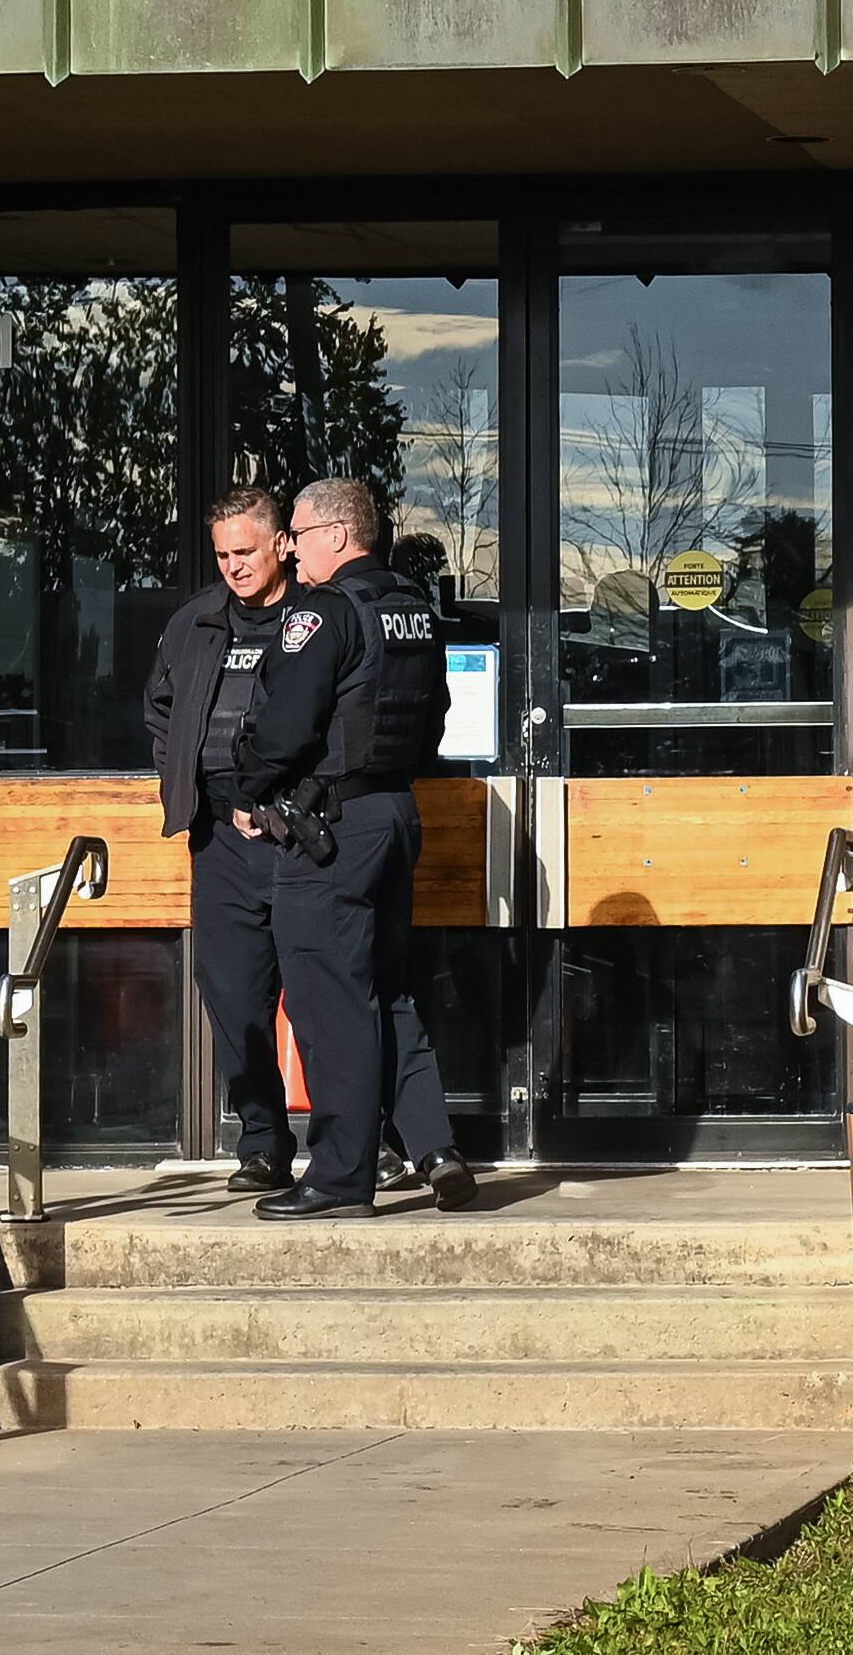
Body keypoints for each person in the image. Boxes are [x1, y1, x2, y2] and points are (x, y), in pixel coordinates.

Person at [233, 476, 478, 1218]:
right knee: (385, 988)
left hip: (331, 830)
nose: (291, 550)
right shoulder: (412, 610)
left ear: (338, 535)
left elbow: (285, 725)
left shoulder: (326, 613)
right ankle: (435, 1148)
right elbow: (433, 718)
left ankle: (340, 1178)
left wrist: (249, 789)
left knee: (330, 1002)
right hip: (394, 814)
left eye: (299, 536)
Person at [144, 488, 305, 1193]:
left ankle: (369, 1132)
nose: (234, 566)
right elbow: (160, 710)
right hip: (218, 839)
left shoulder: (315, 617)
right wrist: (181, 779)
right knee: (235, 998)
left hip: (301, 835)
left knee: (325, 994)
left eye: (246, 551)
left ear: (281, 545)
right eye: (222, 554)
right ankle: (264, 1143)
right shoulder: (196, 622)